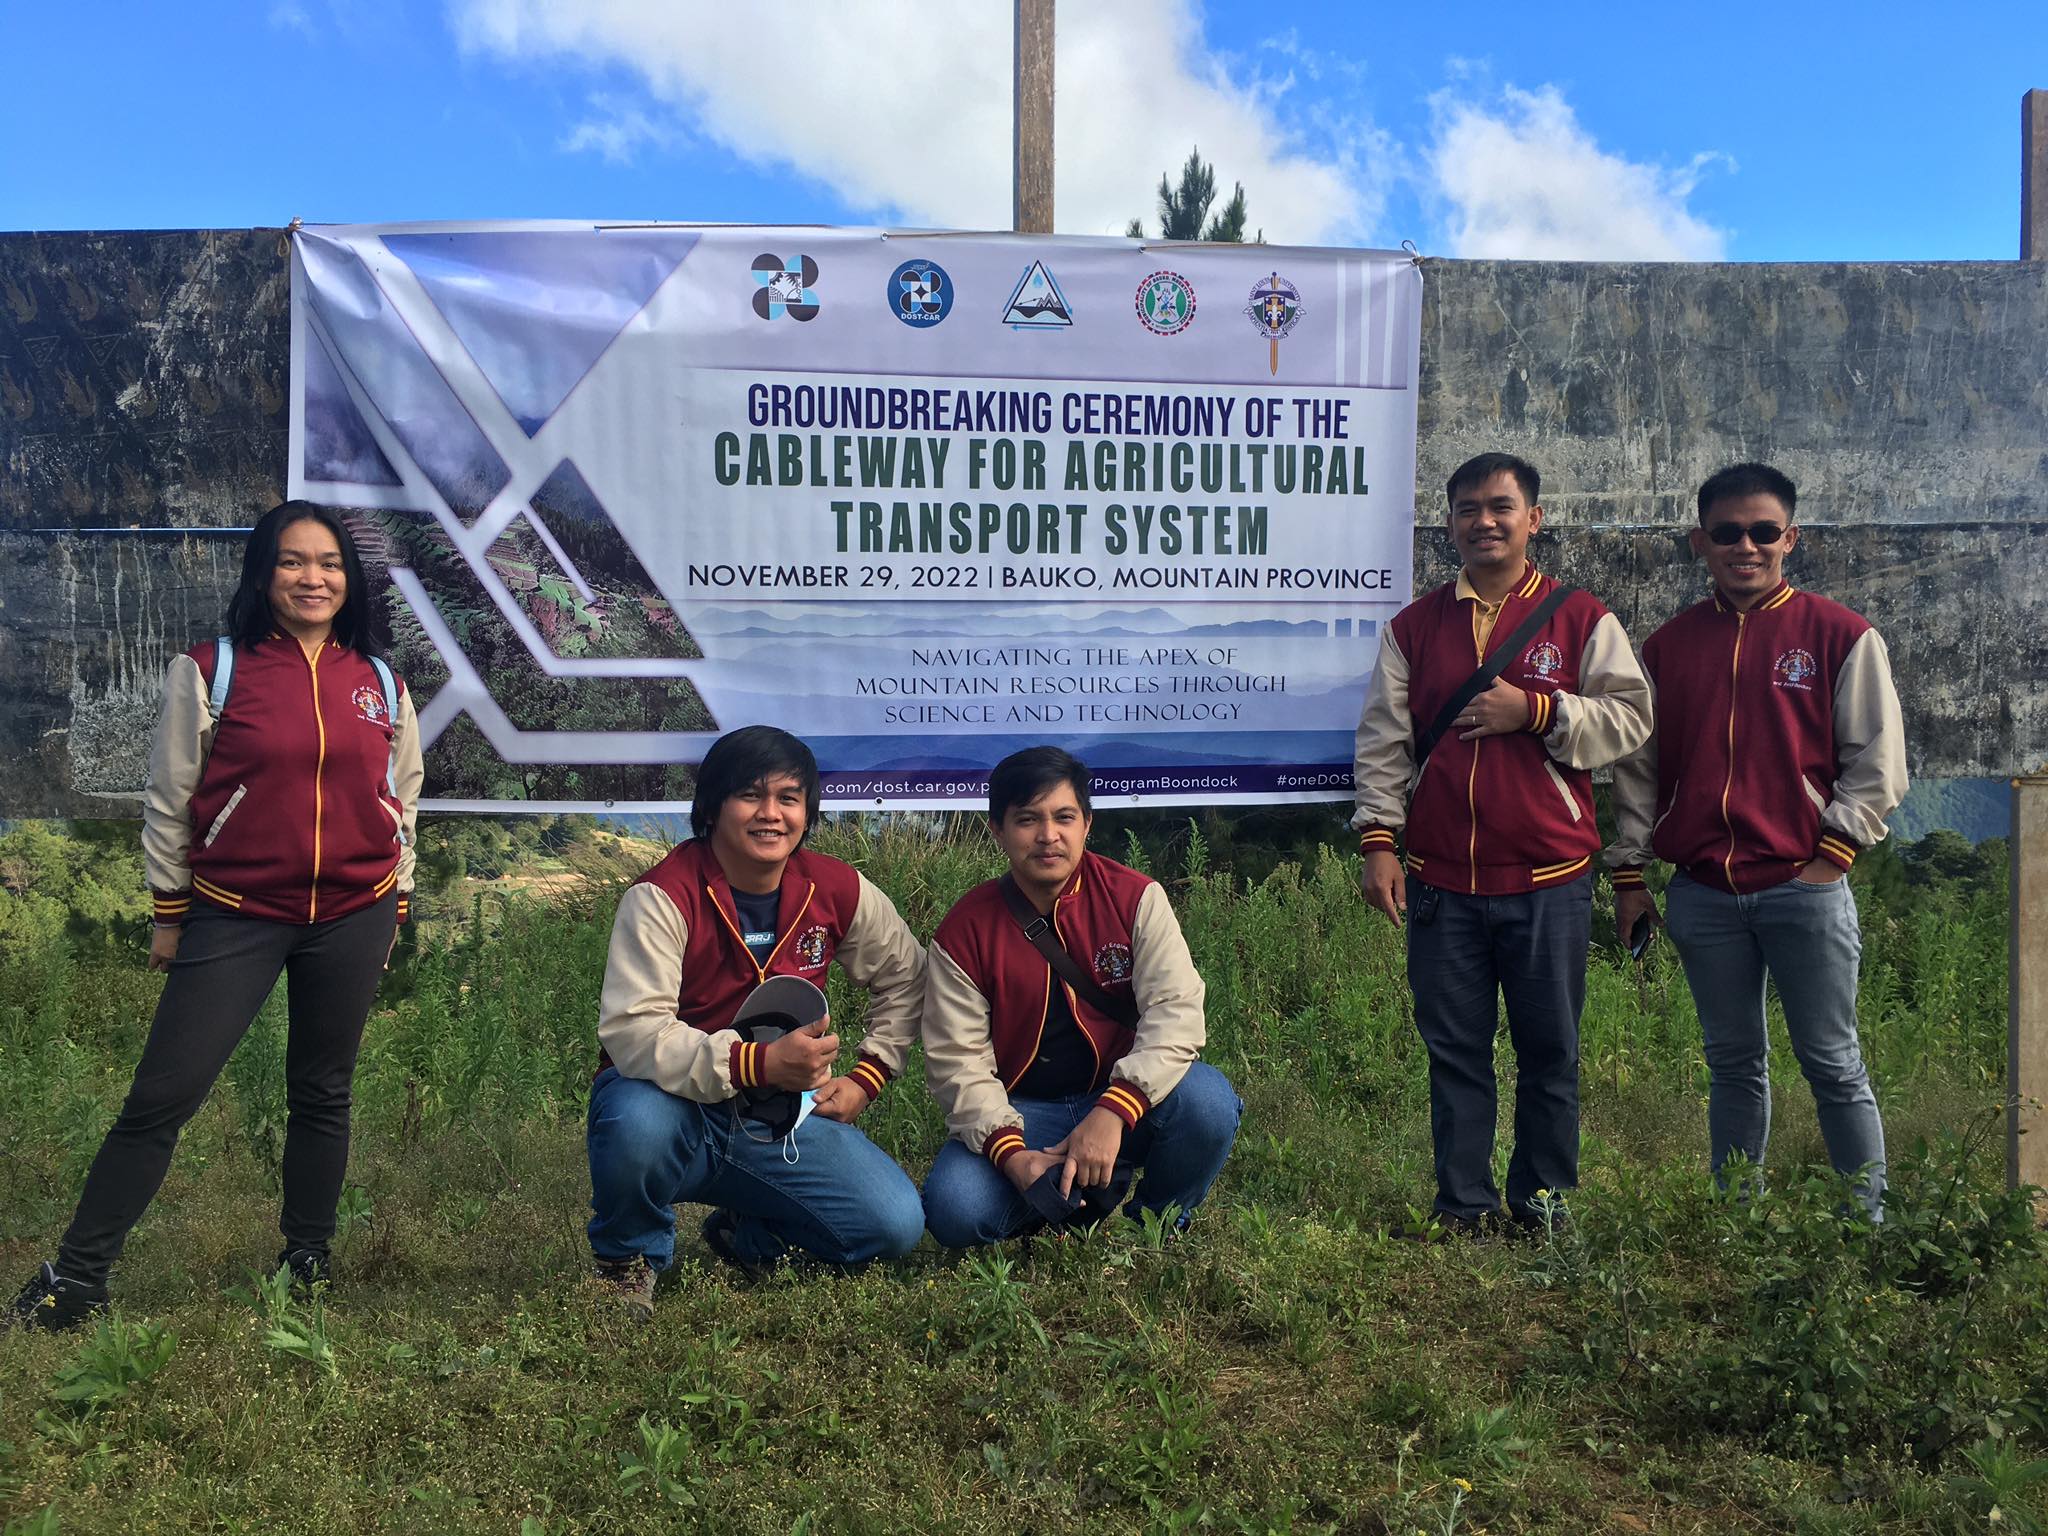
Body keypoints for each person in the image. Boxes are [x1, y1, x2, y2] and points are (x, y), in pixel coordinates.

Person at [7, 501, 422, 1332]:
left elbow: (401, 796)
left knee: (323, 1092)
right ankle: (78, 1279)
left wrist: (397, 901)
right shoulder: (212, 669)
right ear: (263, 574)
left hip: (355, 911)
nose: (313, 578)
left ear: (350, 578)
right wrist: (170, 913)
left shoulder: (380, 683)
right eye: (293, 561)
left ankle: (307, 1260)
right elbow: (170, 799)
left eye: (330, 563)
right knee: (163, 1096)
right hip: (238, 913)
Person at [1352, 452, 1652, 1234]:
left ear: (1533, 519)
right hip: (1442, 882)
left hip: (1548, 879)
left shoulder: (1580, 618)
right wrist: (1378, 840)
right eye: (1467, 509)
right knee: (1455, 1053)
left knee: (1550, 1053)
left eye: (1500, 507)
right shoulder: (1415, 627)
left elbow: (1631, 720)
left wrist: (1540, 712)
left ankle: (1543, 1205)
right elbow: (1384, 741)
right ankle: (1464, 1207)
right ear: (1449, 522)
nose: (1484, 522)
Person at [1610, 462, 1904, 1217]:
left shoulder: (1840, 636)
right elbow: (1639, 771)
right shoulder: (1668, 648)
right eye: (1728, 533)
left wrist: (1831, 857)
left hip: (1804, 887)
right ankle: (1736, 1220)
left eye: (1764, 531)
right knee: (1733, 1063)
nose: (1746, 546)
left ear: (1790, 539)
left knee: (1833, 1062)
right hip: (1704, 892)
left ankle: (1866, 1222)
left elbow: (1878, 762)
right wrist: (1630, 873)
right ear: (1700, 542)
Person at [585, 726, 926, 1314]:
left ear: (807, 812)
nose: (771, 814)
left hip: (781, 1119)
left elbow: (909, 977)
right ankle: (627, 1259)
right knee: (635, 1123)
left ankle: (748, 1233)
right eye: (750, 795)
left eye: (789, 798)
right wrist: (759, 1064)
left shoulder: (835, 888)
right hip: (670, 1106)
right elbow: (634, 1031)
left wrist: (868, 1077)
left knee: (893, 1224)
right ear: (712, 806)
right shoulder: (662, 896)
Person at [920, 747, 1240, 1246]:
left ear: (1087, 823)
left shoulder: (1136, 897)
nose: (1048, 835)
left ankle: (1155, 1226)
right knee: (955, 1208)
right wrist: (1013, 1156)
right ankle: (1063, 1197)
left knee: (1207, 1101)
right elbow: (957, 1064)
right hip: (1024, 1112)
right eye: (1027, 819)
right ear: (997, 830)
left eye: (1064, 817)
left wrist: (1113, 1111)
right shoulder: (965, 931)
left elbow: (1175, 1014)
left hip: (1120, 1098)